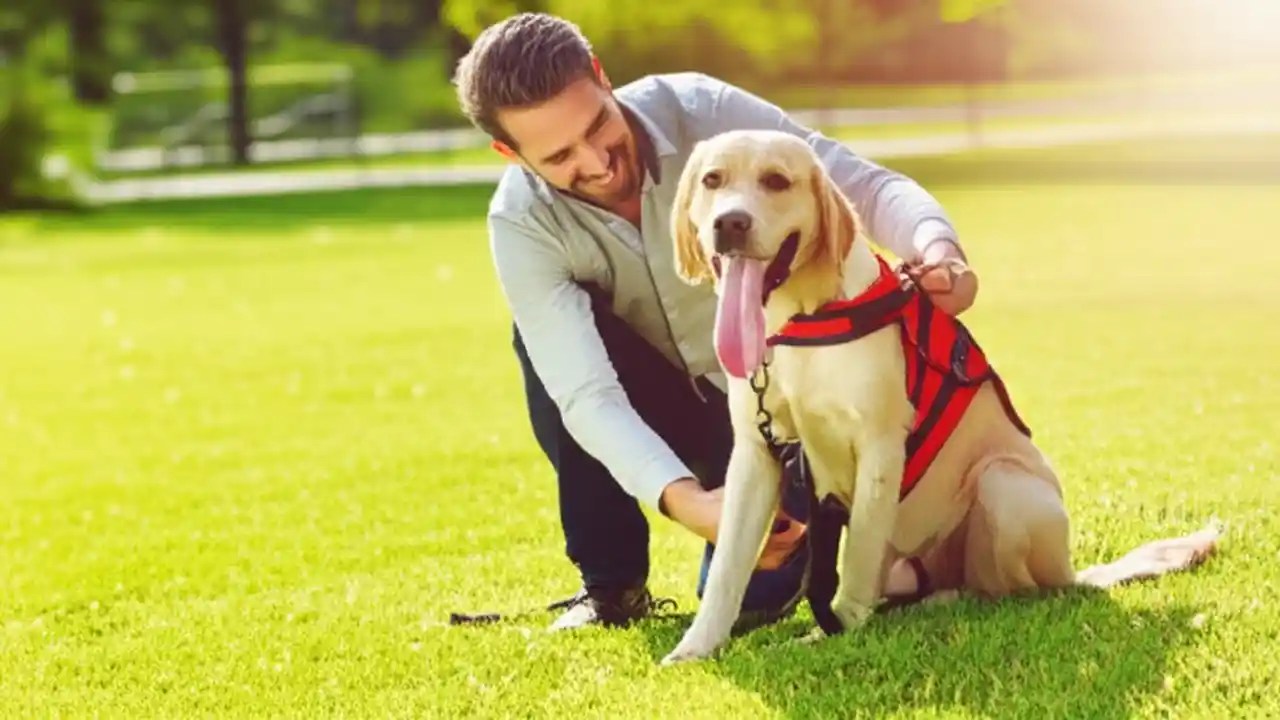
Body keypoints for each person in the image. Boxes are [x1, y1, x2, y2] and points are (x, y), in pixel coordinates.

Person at [451, 12, 978, 631]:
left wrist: (937, 245)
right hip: (681, 410)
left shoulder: (706, 113)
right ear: (508, 153)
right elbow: (586, 394)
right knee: (543, 353)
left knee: (752, 599)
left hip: (792, 401)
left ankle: (889, 565)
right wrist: (689, 502)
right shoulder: (521, 225)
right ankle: (611, 588)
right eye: (560, 155)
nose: (597, 162)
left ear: (601, 76)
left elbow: (860, 185)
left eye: (598, 125)